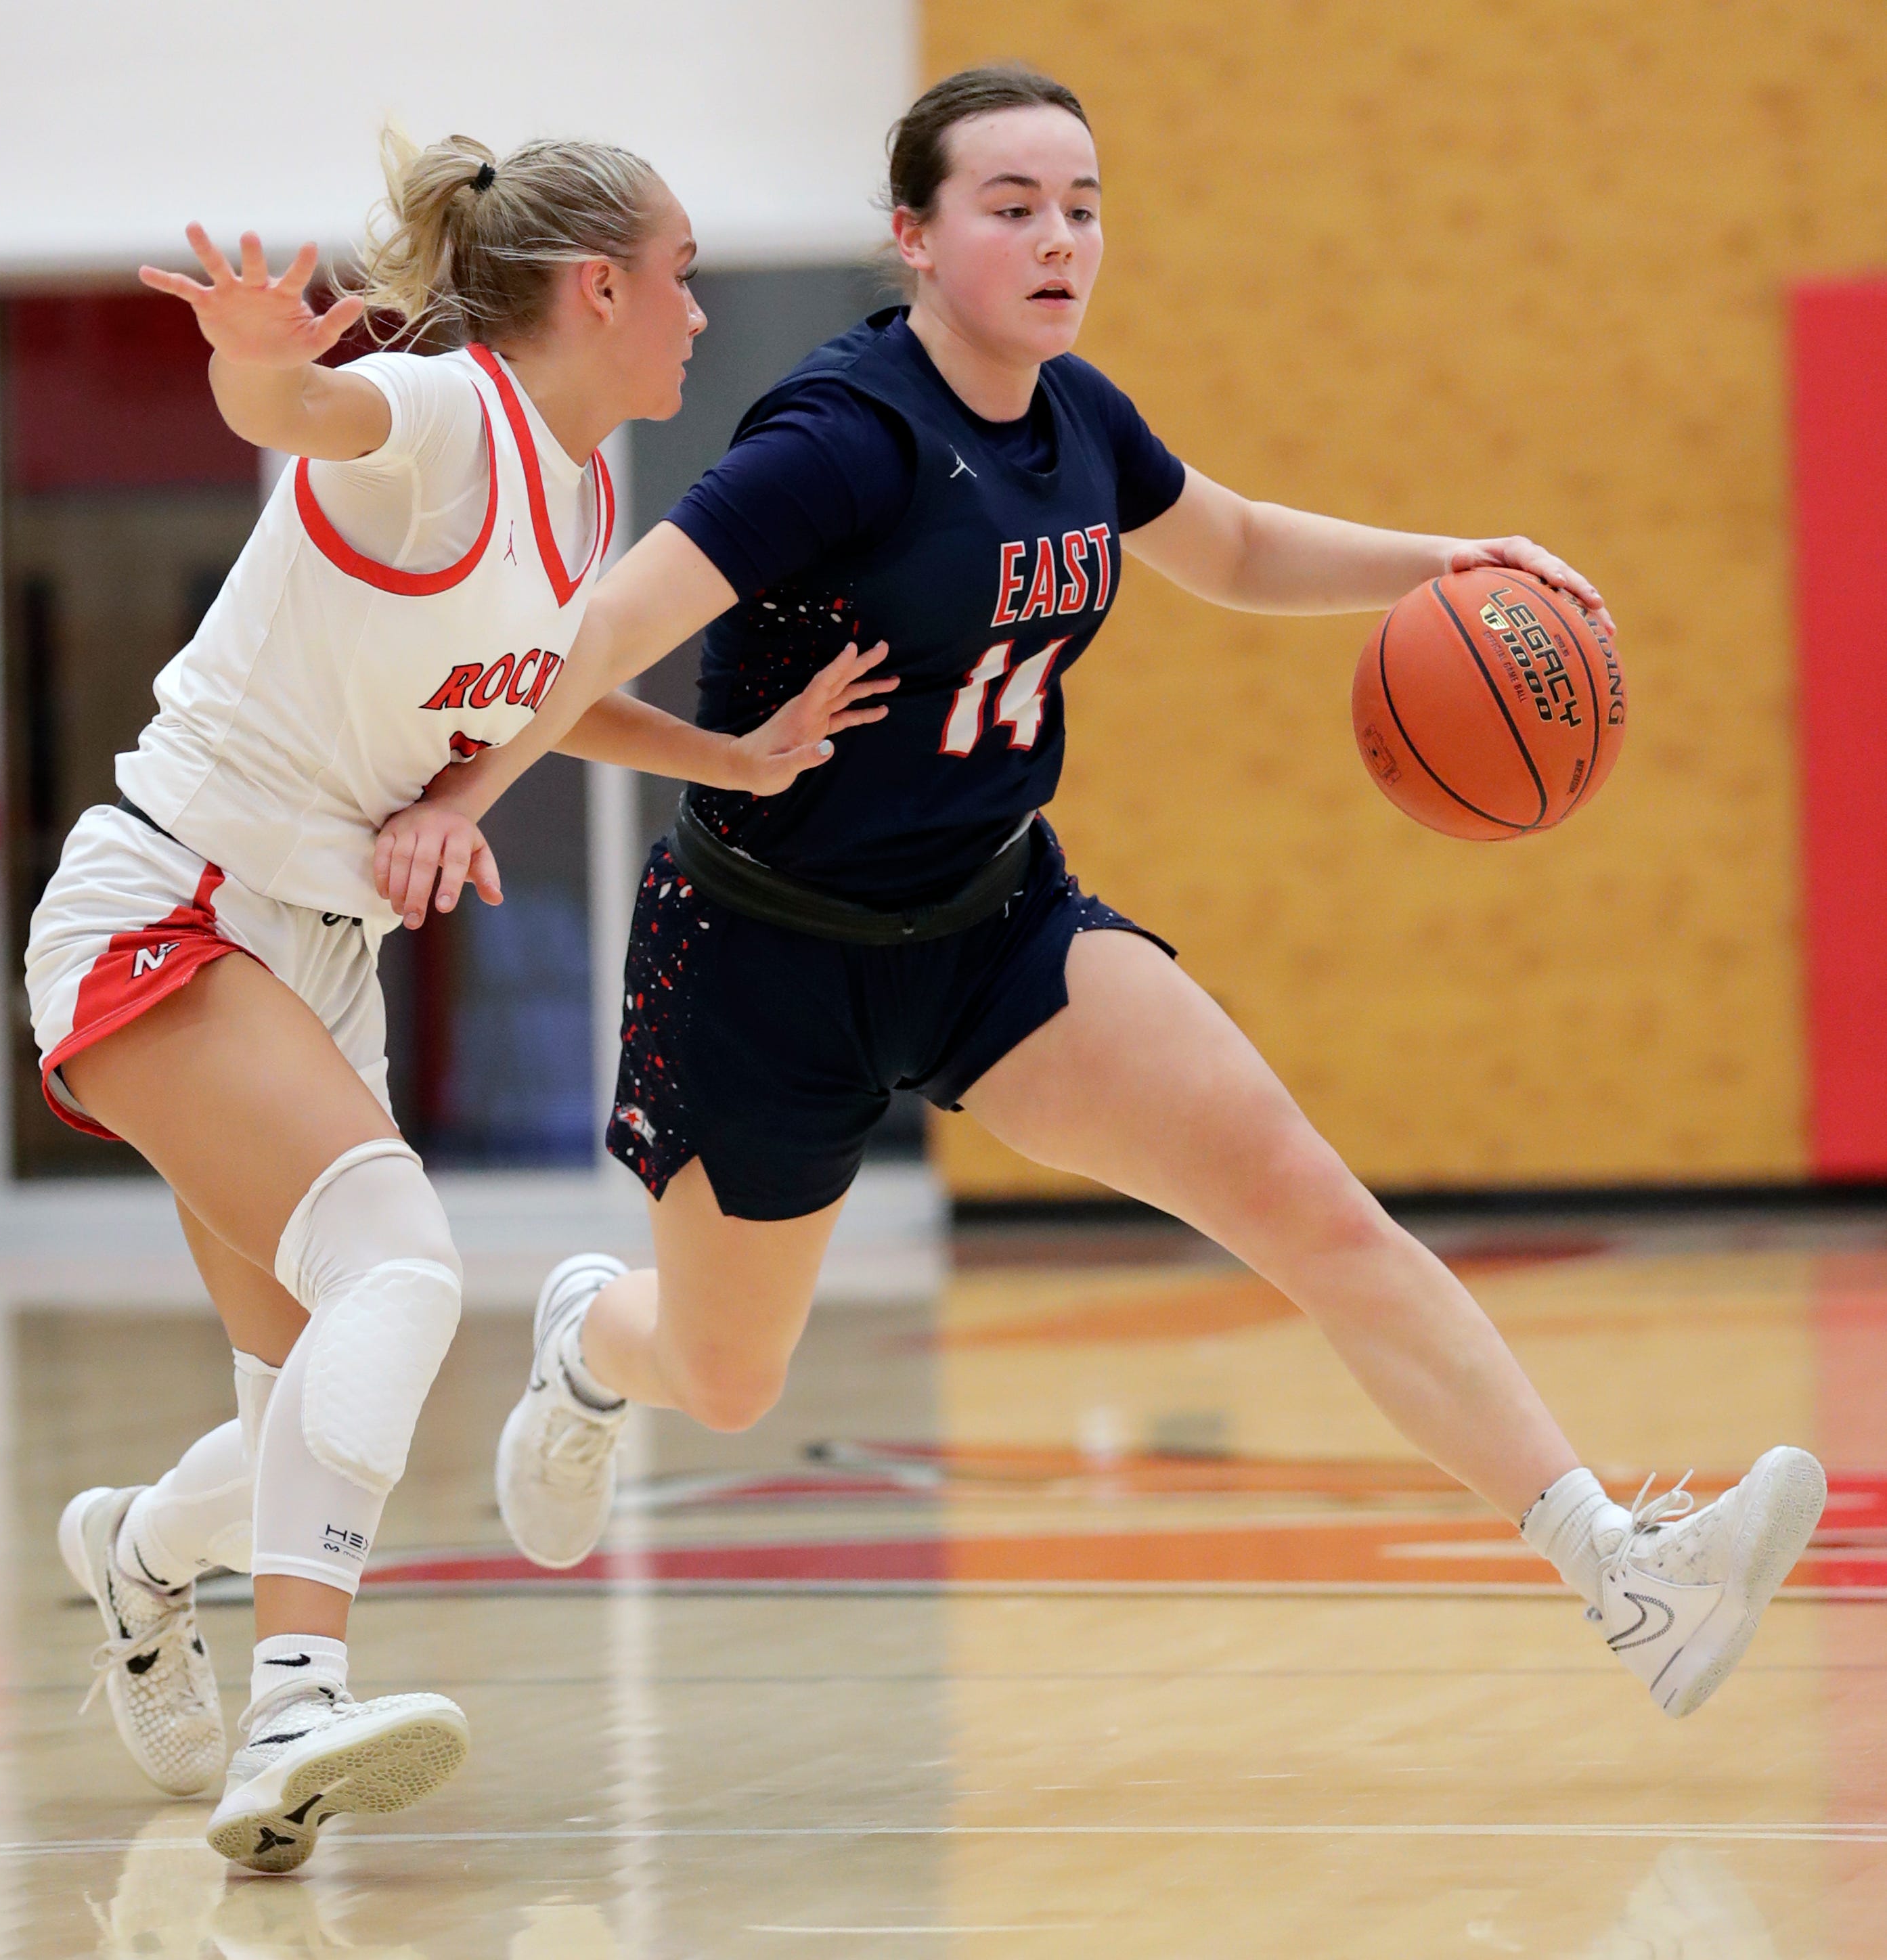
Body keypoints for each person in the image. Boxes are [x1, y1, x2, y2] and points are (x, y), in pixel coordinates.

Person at [378, 65, 1826, 1724]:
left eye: (1082, 206)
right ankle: (590, 1340)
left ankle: (1626, 1573)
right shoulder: (840, 439)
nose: (1061, 239)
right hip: (767, 955)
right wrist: (459, 794)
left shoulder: (1078, 416)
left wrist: (1450, 561)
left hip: (999, 927)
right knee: (722, 1371)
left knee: (1316, 1210)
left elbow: (1235, 545)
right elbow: (612, 625)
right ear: (913, 238)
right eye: (1013, 208)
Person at [30, 130, 881, 1873]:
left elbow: (541, 695)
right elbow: (301, 423)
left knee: (301, 1414)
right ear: (598, 289)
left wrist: (734, 756)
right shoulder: (440, 415)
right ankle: (292, 1702)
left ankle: (135, 1554)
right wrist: (258, 365)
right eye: (683, 271)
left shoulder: (575, 493)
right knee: (404, 1267)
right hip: (177, 899)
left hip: (311, 948)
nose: (701, 310)